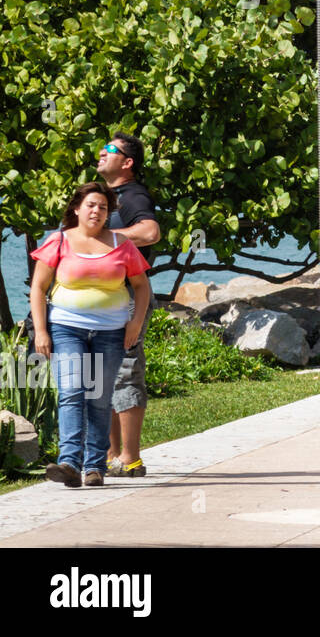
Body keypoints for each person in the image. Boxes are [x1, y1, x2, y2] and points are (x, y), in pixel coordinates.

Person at [31, 183, 151, 488]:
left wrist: (135, 323)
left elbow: (141, 285)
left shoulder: (121, 243)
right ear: (76, 209)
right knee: (71, 391)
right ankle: (70, 462)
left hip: (111, 331)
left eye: (103, 207)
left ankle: (95, 466)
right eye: (90, 205)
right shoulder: (58, 241)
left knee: (98, 398)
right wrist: (41, 330)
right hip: (66, 327)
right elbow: (38, 288)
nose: (96, 211)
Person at [99, 134, 160, 480]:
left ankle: (130, 458)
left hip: (127, 299)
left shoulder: (133, 195)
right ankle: (109, 455)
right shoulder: (109, 198)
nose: (101, 153)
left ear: (127, 163)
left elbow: (150, 231)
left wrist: (107, 238)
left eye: (110, 150)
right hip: (103, 300)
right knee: (103, 373)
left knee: (125, 372)